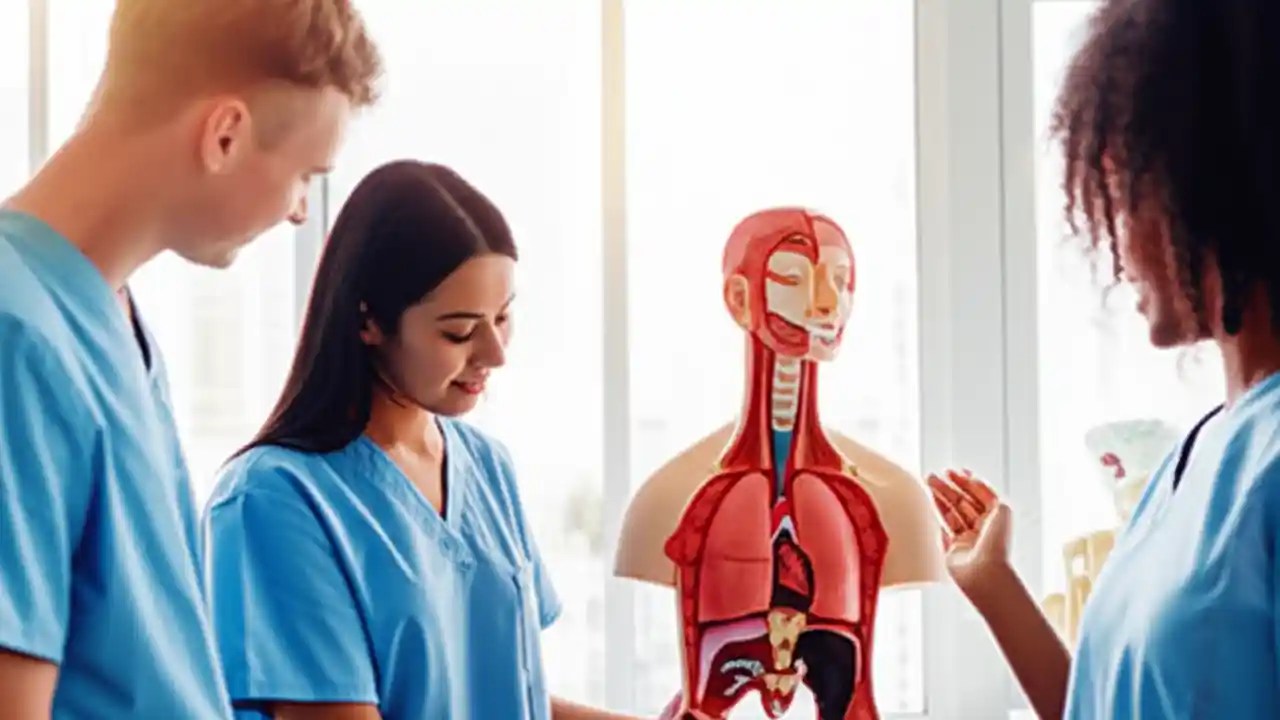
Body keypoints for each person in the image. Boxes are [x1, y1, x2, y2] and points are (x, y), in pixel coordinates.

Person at [0, 2, 381, 717]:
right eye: (305, 175)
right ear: (225, 134)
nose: (301, 210)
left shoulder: (112, 321)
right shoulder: (16, 336)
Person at [927, 0, 1280, 718]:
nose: (1113, 246)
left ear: (1201, 185)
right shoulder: (1194, 458)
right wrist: (994, 586)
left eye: (1118, 193)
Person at [203, 160, 646, 720]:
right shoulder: (273, 500)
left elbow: (514, 701)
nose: (495, 354)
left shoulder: (486, 466)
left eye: (502, 319)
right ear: (368, 321)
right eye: (459, 332)